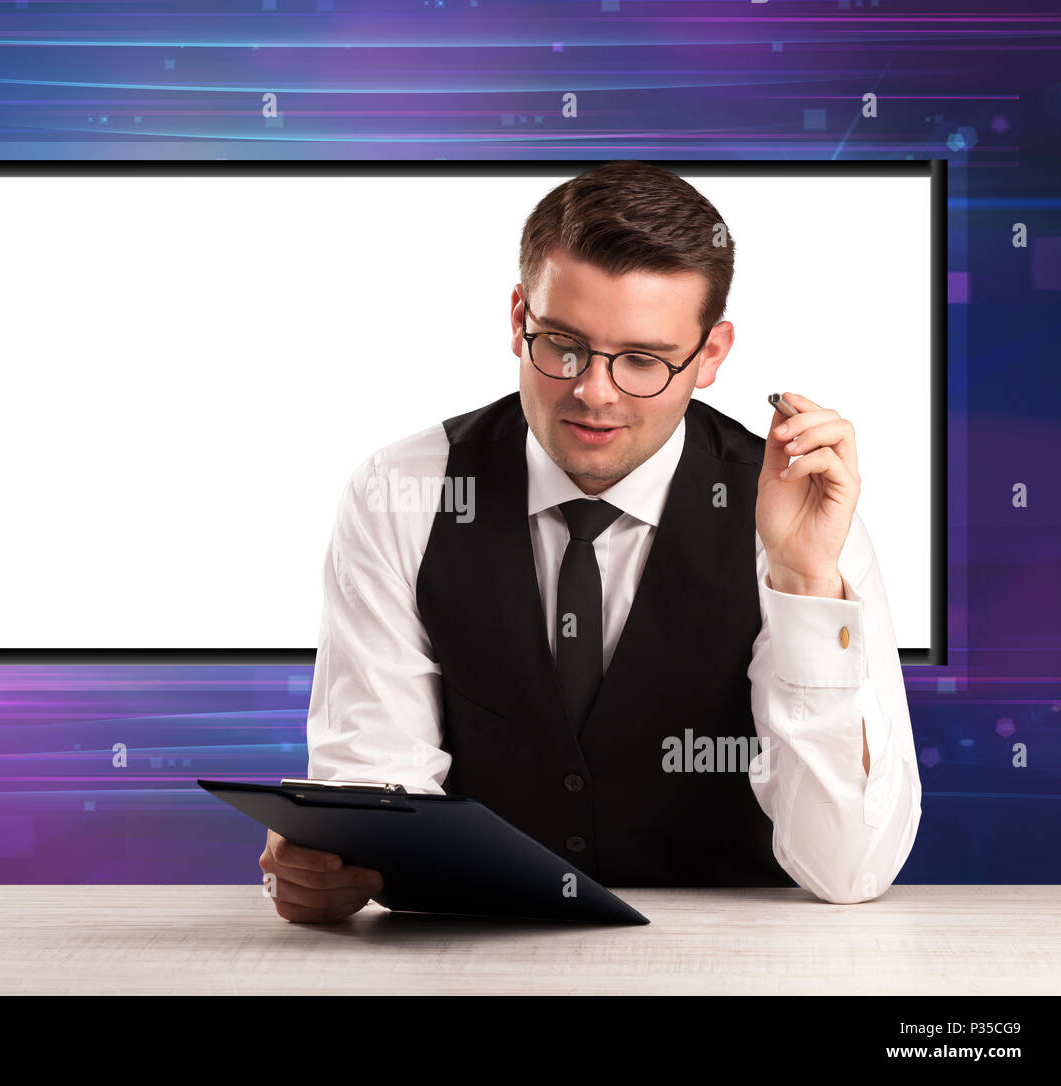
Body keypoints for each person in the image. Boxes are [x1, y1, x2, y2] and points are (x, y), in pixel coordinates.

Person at [260, 161, 922, 923]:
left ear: (710, 356)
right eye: (564, 344)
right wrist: (332, 862)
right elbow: (376, 789)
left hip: (733, 963)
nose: (595, 392)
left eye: (643, 359)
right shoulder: (401, 493)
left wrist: (804, 582)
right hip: (474, 959)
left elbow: (848, 869)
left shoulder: (798, 520)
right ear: (518, 318)